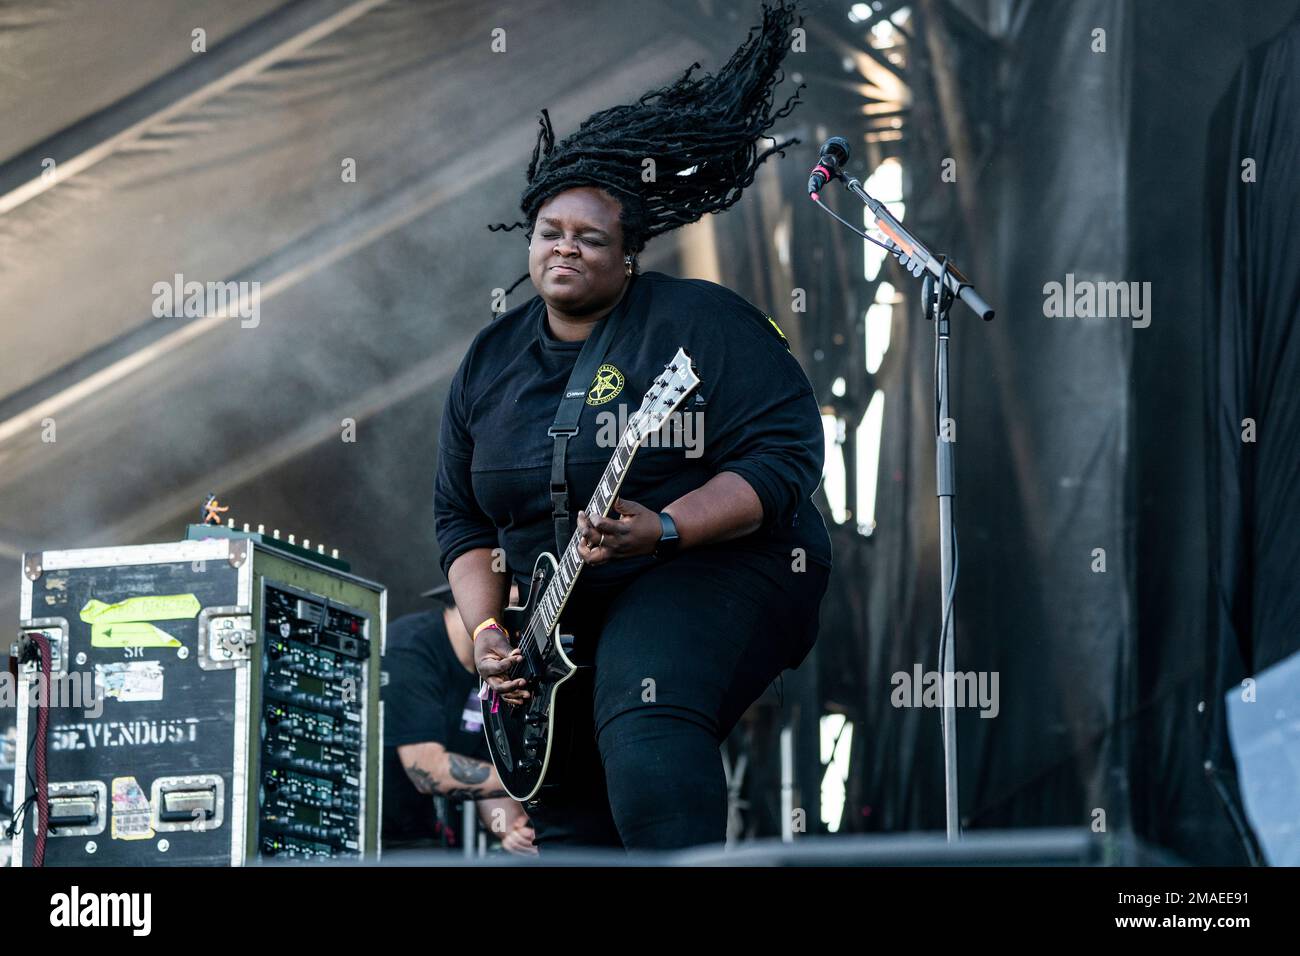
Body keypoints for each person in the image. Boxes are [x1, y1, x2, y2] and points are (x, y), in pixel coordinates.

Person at [434, 0, 830, 851]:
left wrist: (667, 526)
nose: (565, 249)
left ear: (629, 255)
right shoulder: (488, 360)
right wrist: (492, 629)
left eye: (590, 238)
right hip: (559, 609)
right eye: (549, 233)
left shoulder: (698, 322)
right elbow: (461, 519)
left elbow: (786, 455)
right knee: (567, 810)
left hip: (723, 562)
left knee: (645, 724)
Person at [381, 583, 534, 854]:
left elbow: (484, 770)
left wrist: (514, 829)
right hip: (372, 839)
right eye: (510, 604)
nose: (519, 616)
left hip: (421, 838)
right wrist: (524, 784)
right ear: (470, 596)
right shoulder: (410, 648)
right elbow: (428, 771)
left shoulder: (498, 668)